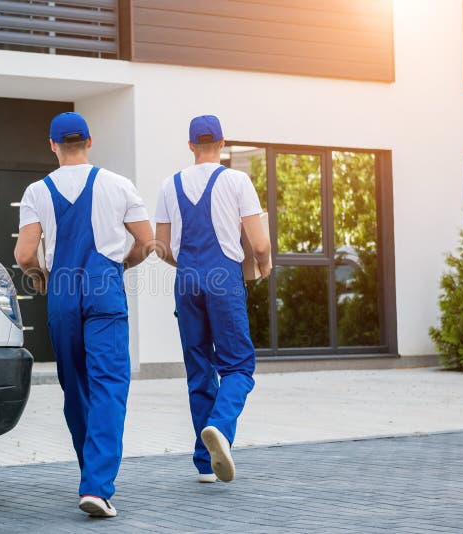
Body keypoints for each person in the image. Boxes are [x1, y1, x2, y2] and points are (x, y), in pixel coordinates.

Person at [14, 112, 153, 517]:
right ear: (90, 141)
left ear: (53, 145)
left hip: (61, 293)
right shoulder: (118, 184)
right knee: (109, 386)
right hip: (104, 289)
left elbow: (24, 254)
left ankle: (89, 476)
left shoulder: (37, 190)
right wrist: (122, 264)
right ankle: (96, 484)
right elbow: (148, 242)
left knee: (75, 387)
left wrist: (38, 274)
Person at [154, 115, 271, 483]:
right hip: (224, 279)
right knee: (238, 365)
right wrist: (264, 265)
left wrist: (188, 266)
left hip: (186, 279)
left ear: (190, 145)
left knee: (199, 368)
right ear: (223, 143)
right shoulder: (237, 180)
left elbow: (161, 248)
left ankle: (205, 465)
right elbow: (260, 243)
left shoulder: (169, 185)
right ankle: (220, 426)